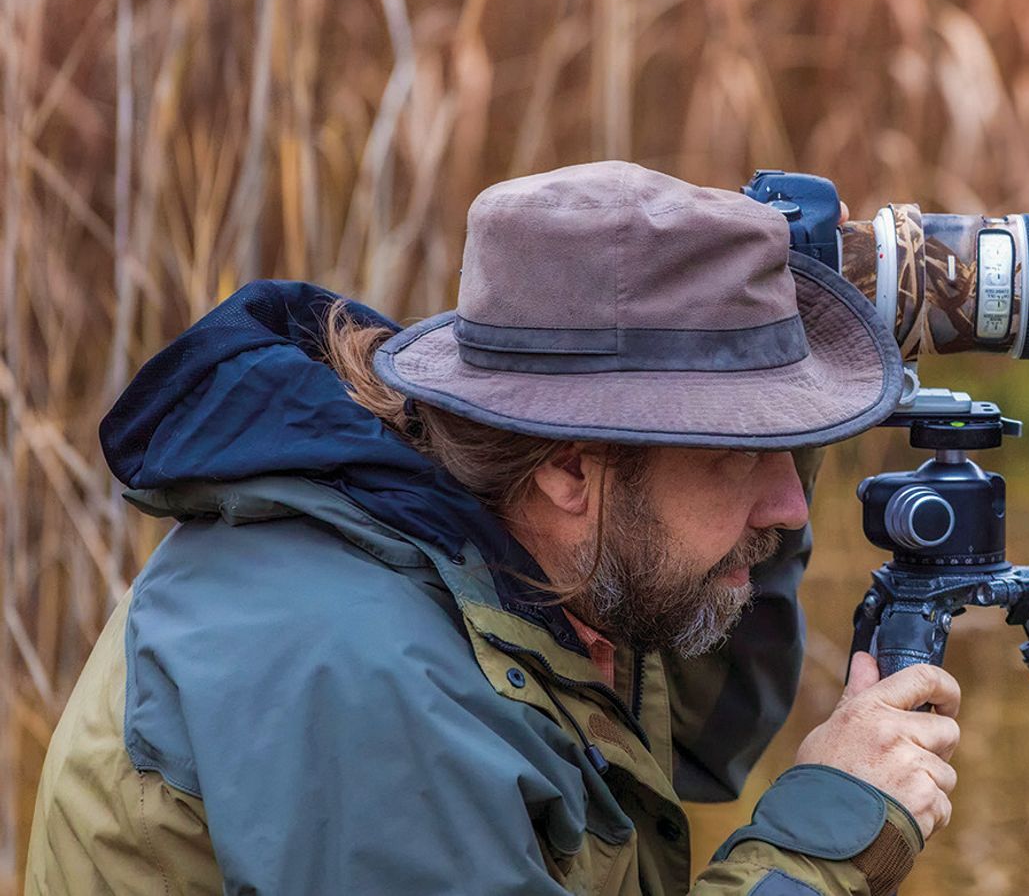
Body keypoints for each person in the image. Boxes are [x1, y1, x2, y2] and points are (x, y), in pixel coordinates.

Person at [26, 161, 963, 895]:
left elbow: (699, 738)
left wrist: (779, 350)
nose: (793, 507)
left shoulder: (537, 556)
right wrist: (827, 839)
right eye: (733, 454)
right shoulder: (366, 676)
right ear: (565, 464)